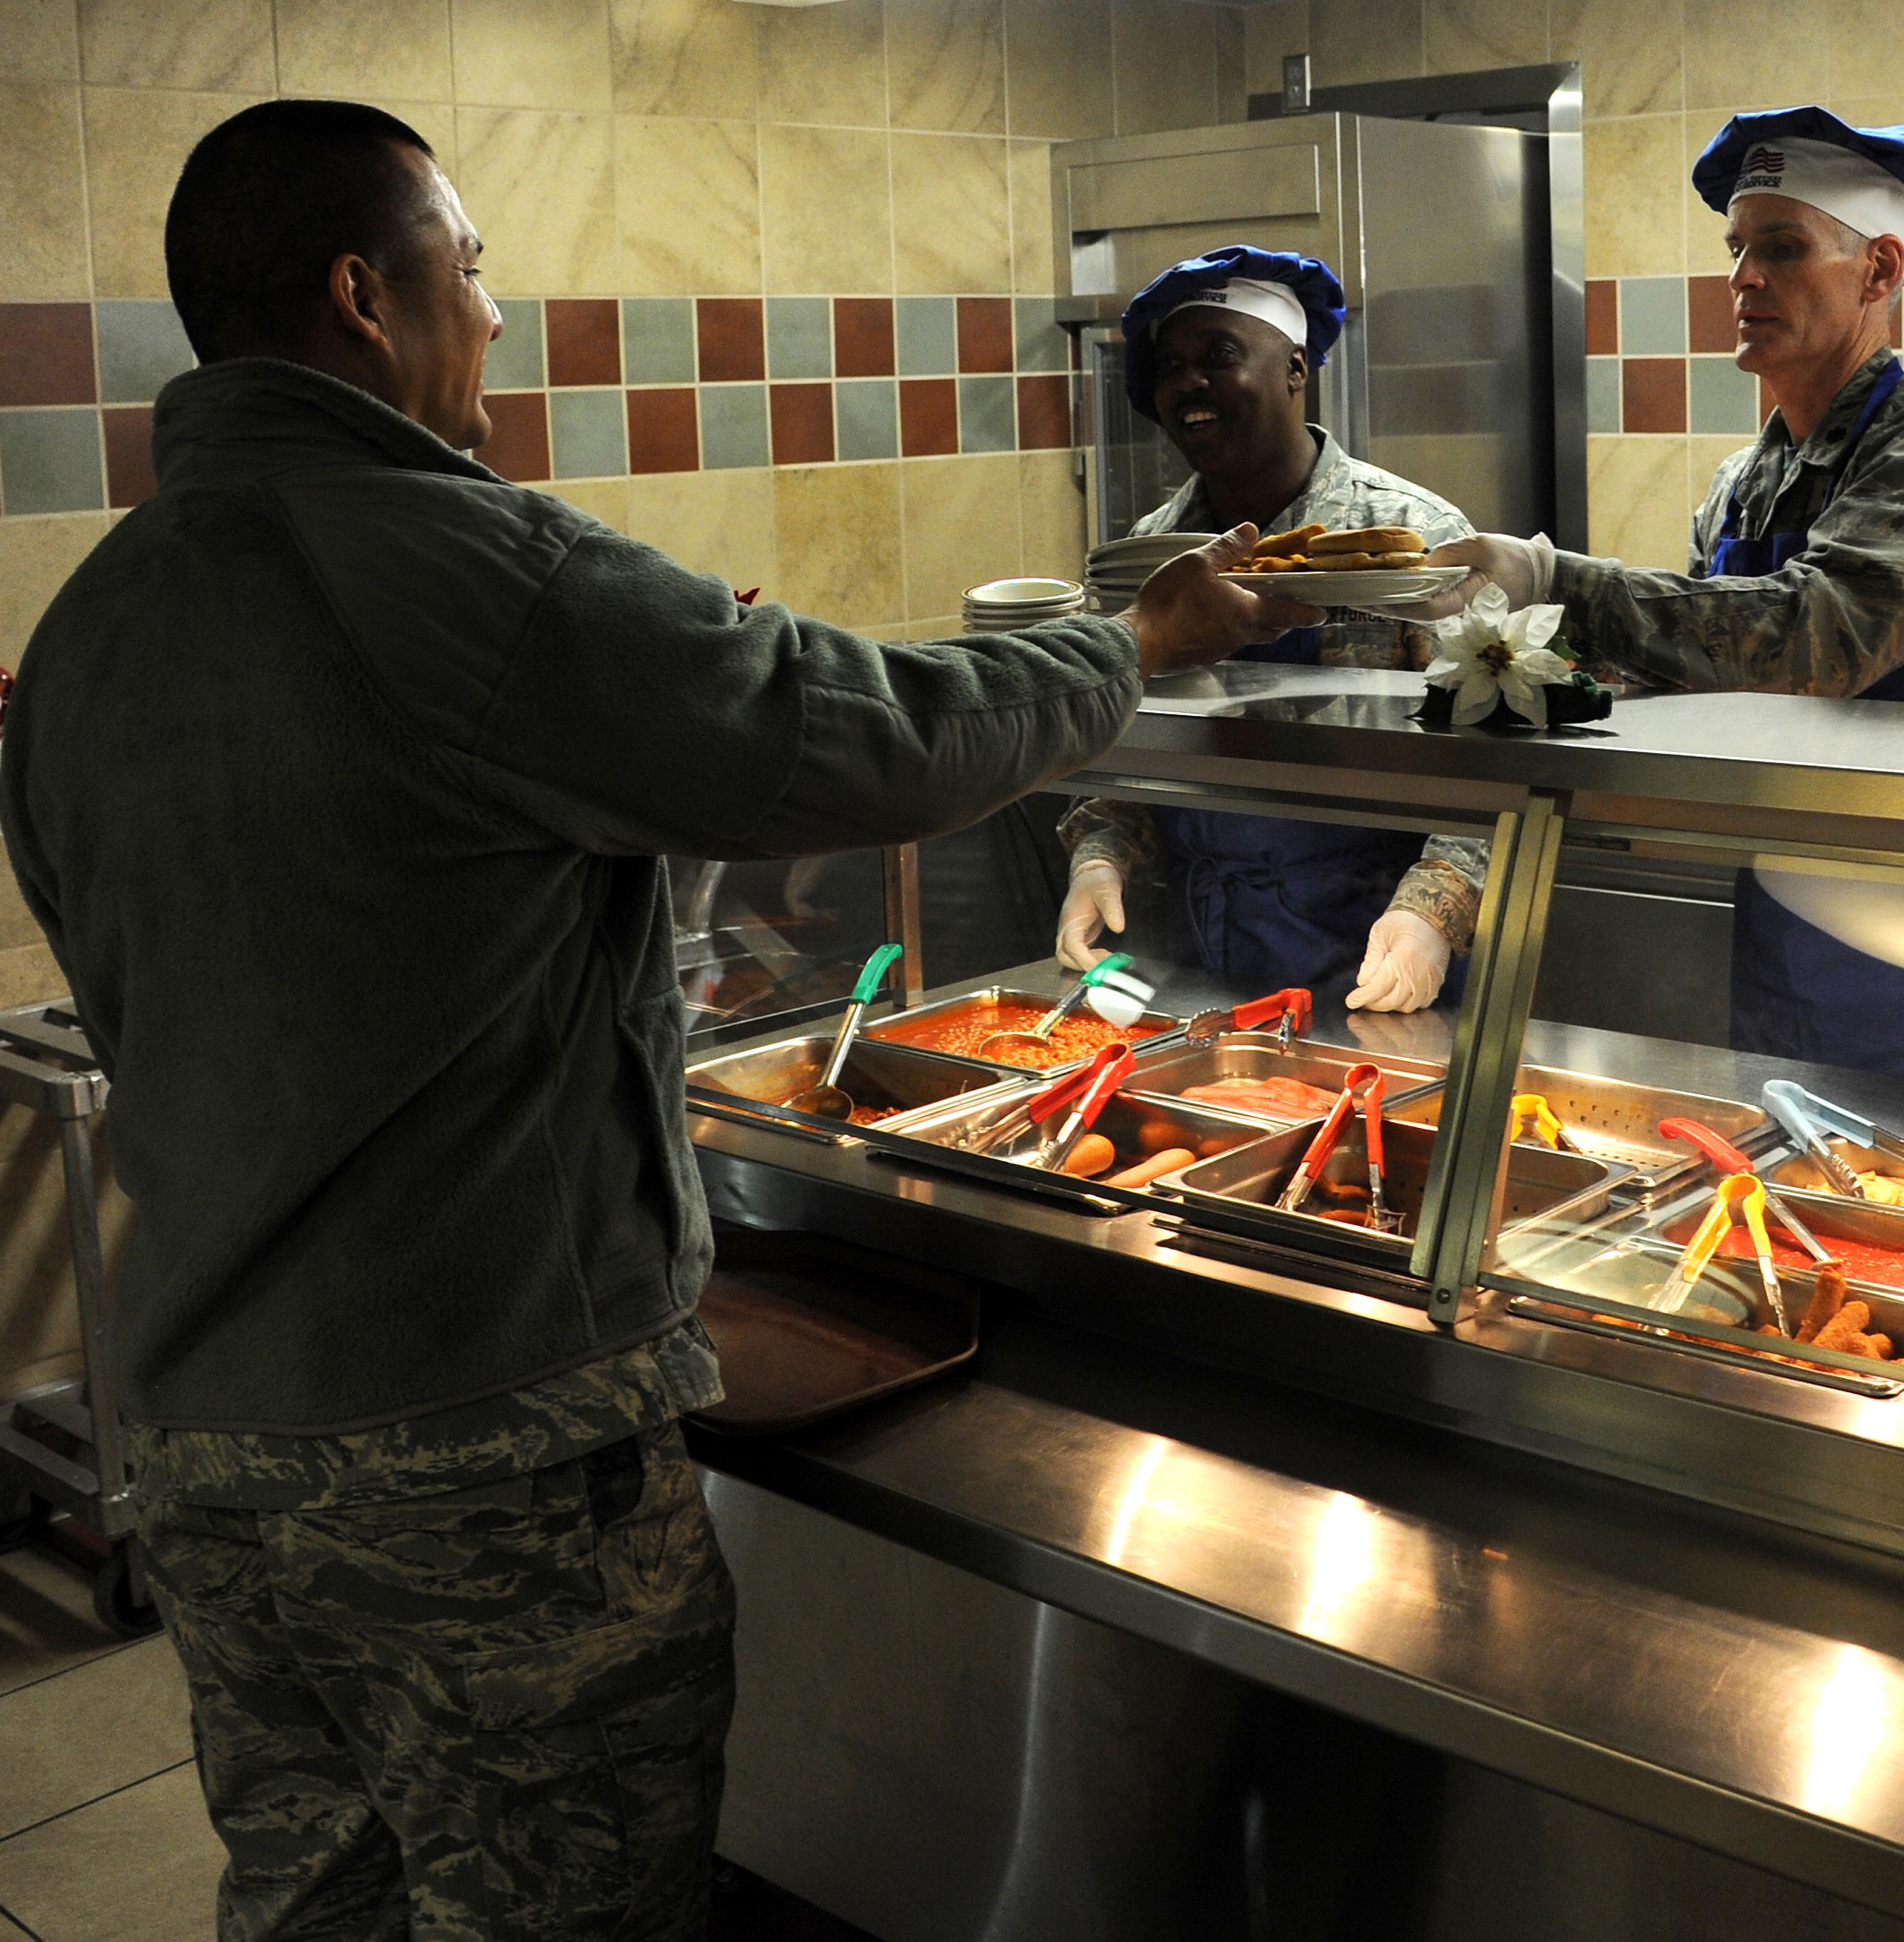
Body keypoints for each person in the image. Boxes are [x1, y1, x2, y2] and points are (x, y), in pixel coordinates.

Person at [0, 100, 1309, 1939]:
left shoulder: (92, 627)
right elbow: (877, 737)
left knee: (317, 1899)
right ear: (366, 296)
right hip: (483, 1452)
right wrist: (1135, 646)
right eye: (470, 269)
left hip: (211, 1437)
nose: (499, 318)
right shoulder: (473, 570)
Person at [1426, 109, 1904, 1103]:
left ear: (1879, 271)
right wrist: (1493, 659)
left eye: (1781, 249)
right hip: (1793, 925)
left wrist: (1554, 578)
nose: (1744, 278)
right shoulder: (1745, 482)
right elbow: (1692, 667)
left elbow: (1818, 639)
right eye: (1738, 249)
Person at [1054, 247, 1481, 1013]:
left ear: (1294, 369)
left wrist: (1433, 912)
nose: (1187, 384)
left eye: (1218, 356)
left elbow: (1500, 750)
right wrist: (1100, 856)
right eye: (1169, 366)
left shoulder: (1413, 538)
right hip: (1192, 948)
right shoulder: (1155, 554)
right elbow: (1118, 727)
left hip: (1373, 949)